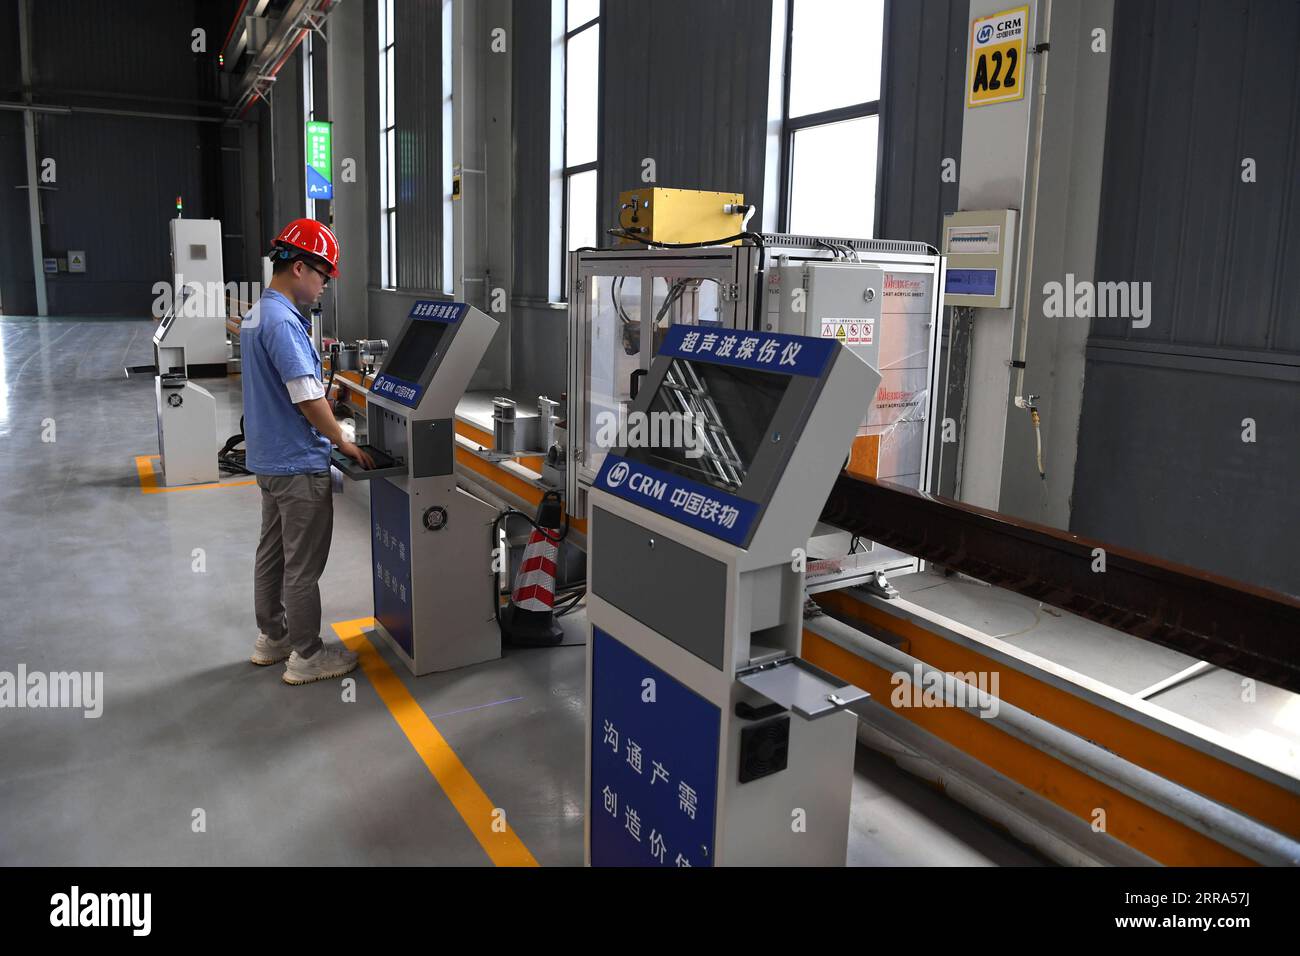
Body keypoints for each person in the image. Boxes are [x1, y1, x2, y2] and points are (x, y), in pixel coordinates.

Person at [240, 218, 374, 684]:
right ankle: (307, 655)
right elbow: (306, 397)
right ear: (299, 267)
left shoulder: (259, 313)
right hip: (297, 463)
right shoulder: (282, 321)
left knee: (272, 552)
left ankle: (272, 638)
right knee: (302, 566)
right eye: (322, 277)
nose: (323, 288)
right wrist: (343, 440)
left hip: (269, 459)